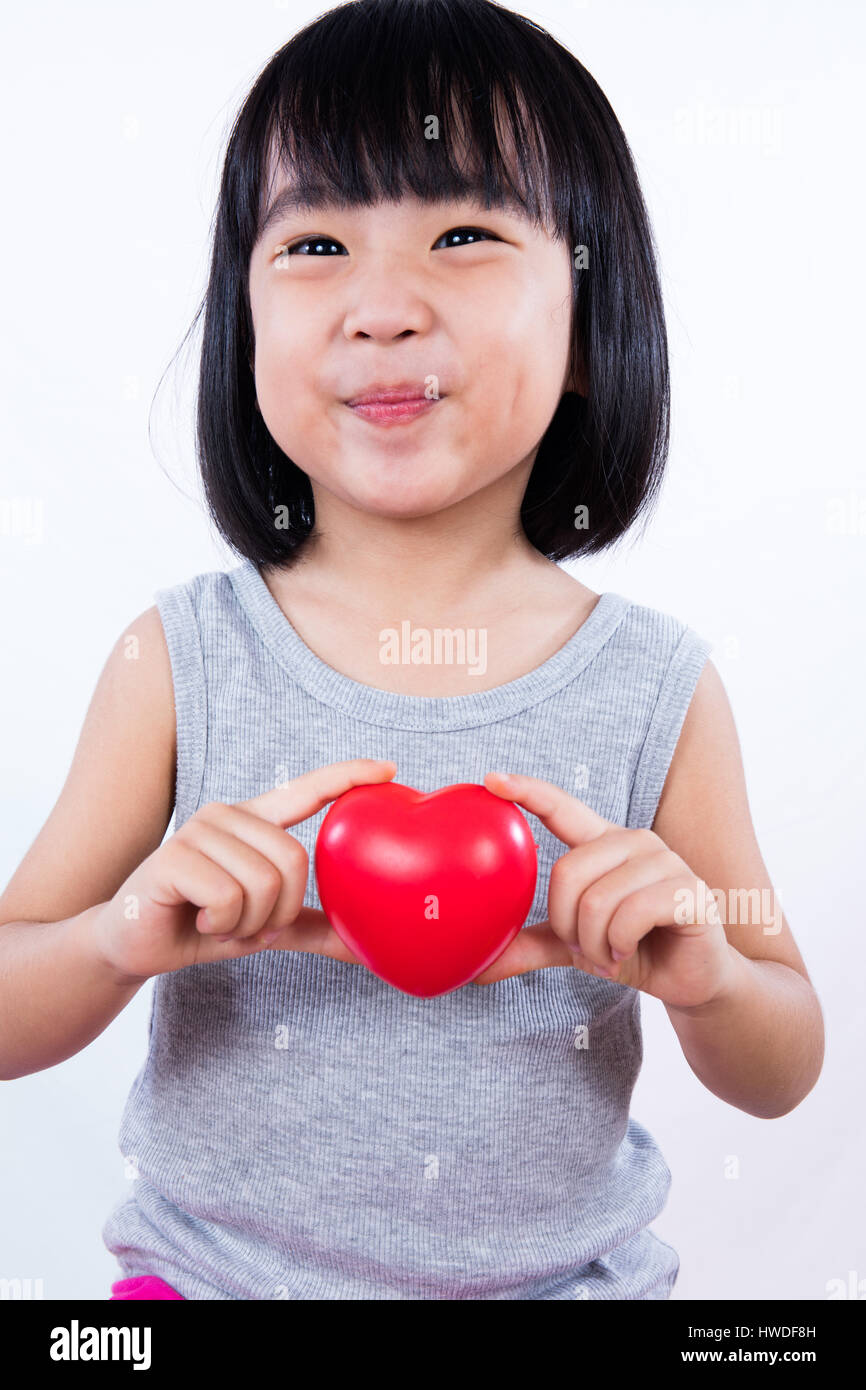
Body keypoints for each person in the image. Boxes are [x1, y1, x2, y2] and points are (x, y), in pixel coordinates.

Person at [0, 0, 823, 1300]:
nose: (381, 307)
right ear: (242, 325)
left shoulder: (658, 684)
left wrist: (709, 971)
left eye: (462, 233)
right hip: (207, 1287)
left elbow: (785, 1059)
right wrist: (117, 935)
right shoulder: (178, 657)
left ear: (589, 329)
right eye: (315, 241)